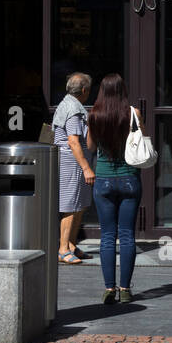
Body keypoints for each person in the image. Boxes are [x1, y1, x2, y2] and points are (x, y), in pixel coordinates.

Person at [86, 73, 143, 305]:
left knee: (107, 236)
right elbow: (142, 141)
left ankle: (109, 288)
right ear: (122, 90)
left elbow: (90, 146)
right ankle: (126, 289)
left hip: (104, 179)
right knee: (128, 235)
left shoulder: (95, 115)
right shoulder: (133, 113)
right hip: (129, 178)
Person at [51, 72, 93, 265]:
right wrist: (86, 167)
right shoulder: (72, 108)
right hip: (72, 162)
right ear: (84, 90)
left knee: (79, 205)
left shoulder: (70, 104)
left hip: (75, 161)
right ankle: (62, 249)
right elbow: (73, 141)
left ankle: (71, 245)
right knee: (70, 206)